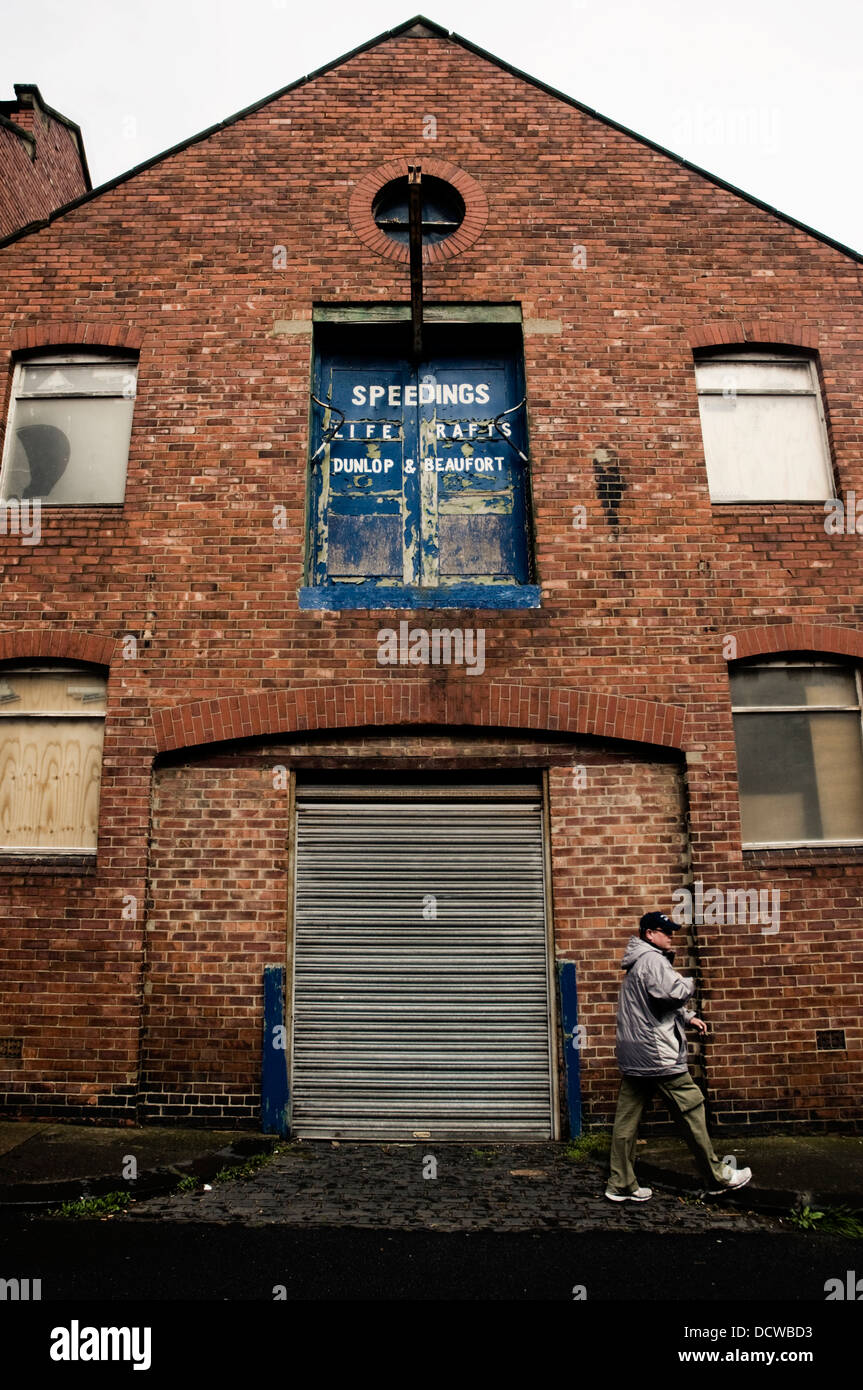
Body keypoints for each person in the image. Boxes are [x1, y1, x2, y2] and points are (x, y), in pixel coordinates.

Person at [605, 910, 752, 1202]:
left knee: (627, 1120)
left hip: (636, 1055)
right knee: (692, 1110)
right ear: (650, 934)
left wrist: (686, 1018)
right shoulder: (653, 960)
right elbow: (672, 993)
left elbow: (653, 1003)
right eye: (666, 931)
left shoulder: (638, 962)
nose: (671, 936)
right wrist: (691, 981)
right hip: (658, 1055)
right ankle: (720, 1177)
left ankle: (620, 1184)